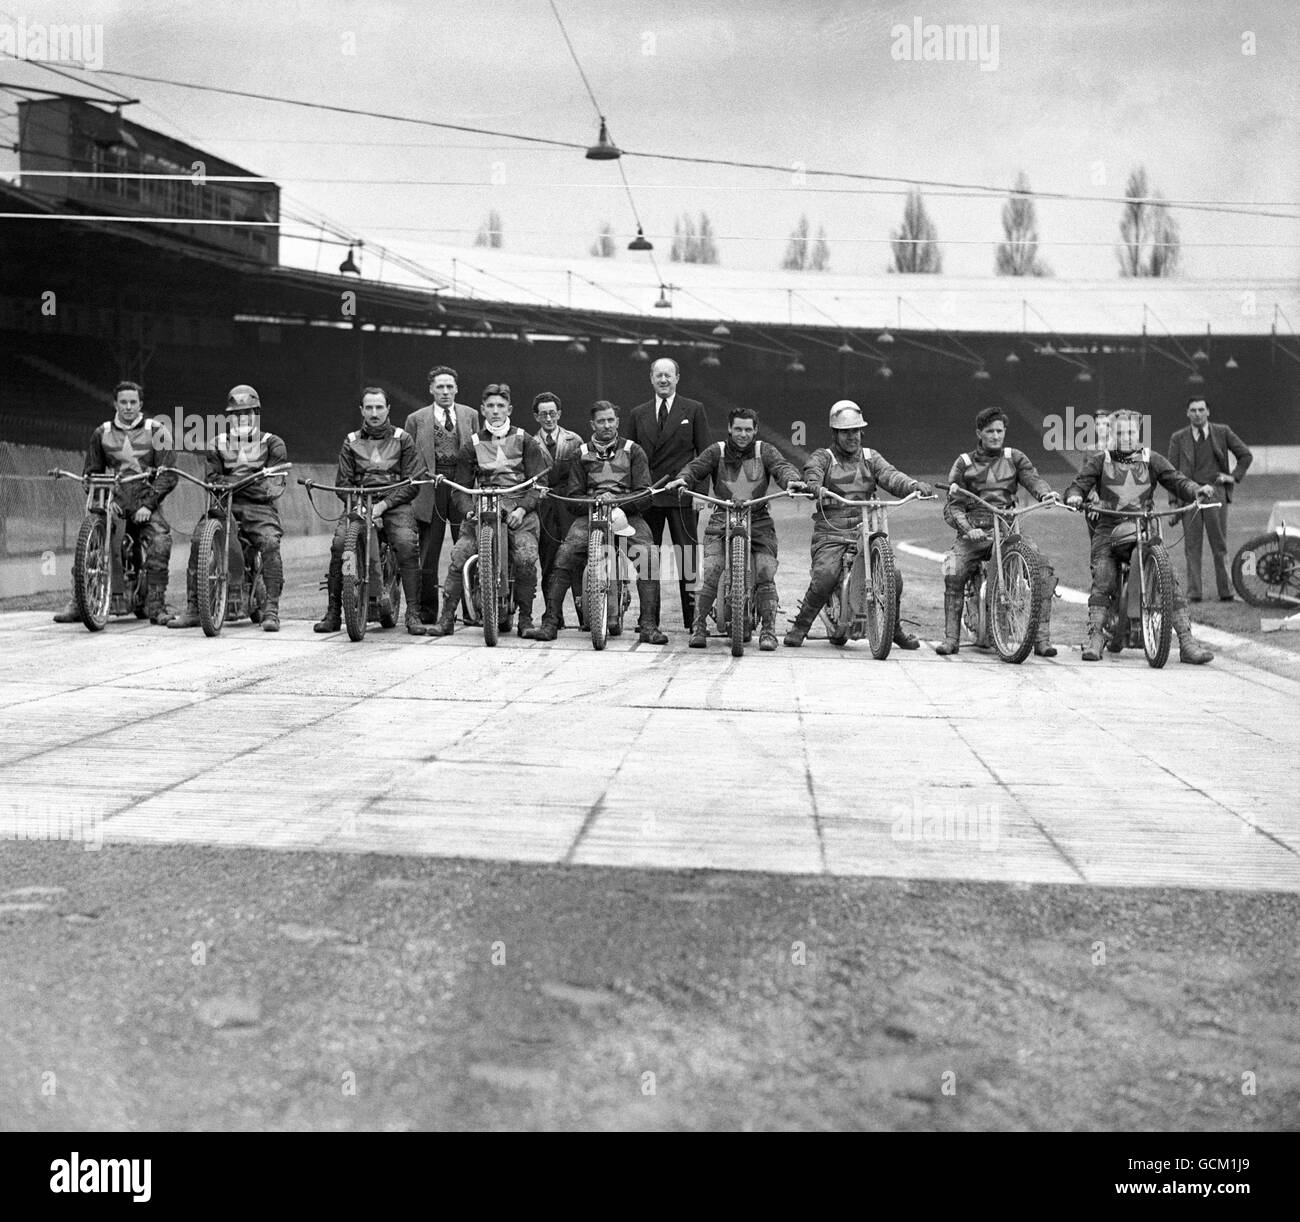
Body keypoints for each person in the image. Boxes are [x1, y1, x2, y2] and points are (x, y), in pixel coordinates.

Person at [1065, 410, 1216, 663]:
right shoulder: (1100, 460)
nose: (1126, 437)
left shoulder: (1152, 459)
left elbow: (1177, 480)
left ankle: (1187, 643)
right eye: (1121, 432)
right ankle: (1096, 637)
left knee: (1169, 577)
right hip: (1108, 529)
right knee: (1104, 576)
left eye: (1131, 432)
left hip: (1145, 529)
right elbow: (1079, 483)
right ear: (1112, 434)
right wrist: (1075, 495)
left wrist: (1196, 490)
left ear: (1139, 433)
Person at [784, 400, 934, 647]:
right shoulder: (824, 457)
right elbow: (812, 472)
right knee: (825, 575)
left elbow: (891, 475)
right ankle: (801, 625)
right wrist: (814, 486)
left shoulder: (871, 457)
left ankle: (892, 629)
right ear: (835, 433)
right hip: (831, 530)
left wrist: (913, 486)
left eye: (856, 431)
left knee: (893, 576)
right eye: (846, 432)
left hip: (866, 528)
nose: (852, 436)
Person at [664, 407, 809, 651]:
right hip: (722, 518)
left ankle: (769, 631)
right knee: (712, 570)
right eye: (738, 429)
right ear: (730, 428)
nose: (743, 434)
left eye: (748, 429)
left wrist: (792, 480)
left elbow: (782, 467)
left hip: (759, 519)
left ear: (755, 430)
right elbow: (695, 467)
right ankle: (698, 626)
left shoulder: (765, 451)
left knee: (765, 571)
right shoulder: (716, 451)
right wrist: (683, 478)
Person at [525, 400, 657, 642]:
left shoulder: (633, 450)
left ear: (617, 422)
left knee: (648, 558)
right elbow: (572, 498)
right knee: (564, 557)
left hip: (627, 515)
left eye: (610, 420)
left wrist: (617, 501)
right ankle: (550, 622)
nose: (606, 425)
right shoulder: (581, 453)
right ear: (592, 424)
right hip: (591, 516)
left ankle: (648, 625)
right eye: (601, 421)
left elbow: (644, 493)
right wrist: (596, 500)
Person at [427, 383, 550, 638]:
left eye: (501, 406)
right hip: (482, 509)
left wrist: (522, 509)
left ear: (510, 409)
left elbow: (539, 483)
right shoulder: (471, 444)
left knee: (526, 558)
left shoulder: (525, 440)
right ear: (482, 409)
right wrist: (468, 510)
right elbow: (460, 488)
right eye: (490, 406)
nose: (495, 411)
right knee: (459, 556)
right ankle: (446, 619)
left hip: (518, 511)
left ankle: (525, 622)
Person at [936, 407, 1060, 657]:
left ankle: (1041, 640)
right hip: (974, 533)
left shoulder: (1015, 457)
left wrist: (1045, 493)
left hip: (1007, 529)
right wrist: (968, 530)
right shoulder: (964, 463)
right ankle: (951, 638)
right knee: (953, 570)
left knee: (1043, 570)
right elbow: (952, 506)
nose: (995, 436)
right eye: (990, 431)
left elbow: (1033, 479)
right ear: (979, 433)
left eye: (999, 431)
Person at [52, 380, 176, 625]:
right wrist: (104, 502)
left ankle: (156, 605)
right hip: (113, 505)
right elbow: (91, 474)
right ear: (115, 404)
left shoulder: (157, 430)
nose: (128, 407)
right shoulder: (102, 432)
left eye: (133, 402)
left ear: (141, 404)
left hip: (145, 505)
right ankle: (81, 602)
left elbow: (168, 475)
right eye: (123, 402)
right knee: (90, 543)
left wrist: (147, 506)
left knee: (160, 543)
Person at [167, 385, 289, 632]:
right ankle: (194, 608)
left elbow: (272, 488)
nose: (242, 418)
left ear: (256, 413)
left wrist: (232, 484)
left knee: (270, 543)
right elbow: (212, 482)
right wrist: (251, 481)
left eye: (248, 412)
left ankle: (271, 611)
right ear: (229, 417)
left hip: (260, 510)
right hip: (223, 507)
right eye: (236, 413)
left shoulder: (273, 443)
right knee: (199, 538)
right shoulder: (216, 443)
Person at [314, 387, 427, 636]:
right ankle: (334, 612)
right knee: (341, 545)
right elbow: (343, 484)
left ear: (388, 409)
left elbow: (412, 484)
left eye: (379, 407)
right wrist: (361, 507)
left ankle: (413, 613)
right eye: (369, 408)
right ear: (362, 411)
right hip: (359, 504)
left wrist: (383, 506)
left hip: (394, 504)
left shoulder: (403, 439)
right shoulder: (351, 441)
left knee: (406, 543)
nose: (374, 413)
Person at [625, 357, 712, 633]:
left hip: (681, 495)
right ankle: (648, 620)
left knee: (687, 558)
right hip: (648, 496)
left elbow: (706, 454)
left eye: (668, 375)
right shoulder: (638, 413)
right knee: (647, 558)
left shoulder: (694, 410)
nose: (663, 380)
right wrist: (631, 496)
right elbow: (627, 457)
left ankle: (694, 621)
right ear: (651, 378)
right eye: (658, 375)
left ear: (677, 378)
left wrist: (701, 494)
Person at [403, 366, 480, 623]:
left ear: (457, 388)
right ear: (431, 389)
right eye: (440, 387)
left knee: (468, 548)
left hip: (461, 489)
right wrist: (426, 475)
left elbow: (478, 455)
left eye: (449, 387)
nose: (445, 392)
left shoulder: (470, 415)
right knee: (428, 552)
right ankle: (427, 611)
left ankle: (472, 610)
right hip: (430, 489)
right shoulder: (416, 419)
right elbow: (410, 459)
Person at [1166, 397, 1253, 601]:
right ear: (1187, 413)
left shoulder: (1222, 432)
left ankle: (1226, 592)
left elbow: (1245, 455)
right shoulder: (1178, 438)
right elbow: (1170, 473)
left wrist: (1232, 476)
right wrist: (1172, 503)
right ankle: (1194, 593)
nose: (1197, 413)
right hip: (1190, 496)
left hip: (1216, 494)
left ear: (1208, 412)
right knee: (1192, 547)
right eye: (1193, 410)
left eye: (1201, 409)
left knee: (1219, 545)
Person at [530, 391, 584, 629]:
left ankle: (586, 617)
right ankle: (554, 616)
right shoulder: (530, 443)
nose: (549, 418)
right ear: (536, 417)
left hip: (570, 503)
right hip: (544, 504)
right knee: (549, 559)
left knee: (577, 558)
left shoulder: (575, 440)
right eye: (544, 414)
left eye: (552, 413)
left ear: (559, 414)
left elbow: (583, 474)